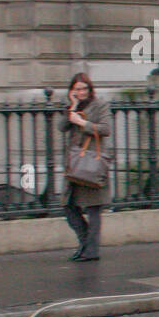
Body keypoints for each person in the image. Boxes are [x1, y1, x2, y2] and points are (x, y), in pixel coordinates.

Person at [58, 72, 112, 261]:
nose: (80, 92)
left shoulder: (100, 105)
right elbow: (62, 127)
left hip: (91, 163)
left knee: (93, 208)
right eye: (76, 89)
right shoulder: (72, 107)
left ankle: (91, 251)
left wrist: (83, 123)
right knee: (68, 206)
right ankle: (86, 243)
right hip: (74, 164)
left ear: (89, 89)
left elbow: (105, 129)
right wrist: (72, 107)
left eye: (83, 89)